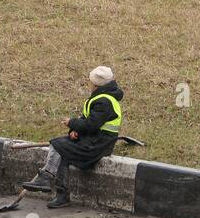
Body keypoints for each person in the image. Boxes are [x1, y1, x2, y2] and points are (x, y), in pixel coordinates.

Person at [22, 65, 124, 209]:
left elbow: (90, 125)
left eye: (90, 81)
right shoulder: (102, 98)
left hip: (98, 145)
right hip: (93, 140)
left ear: (95, 84)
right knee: (63, 152)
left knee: (57, 144)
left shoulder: (104, 101)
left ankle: (46, 177)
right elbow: (87, 120)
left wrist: (71, 122)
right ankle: (61, 195)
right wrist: (74, 131)